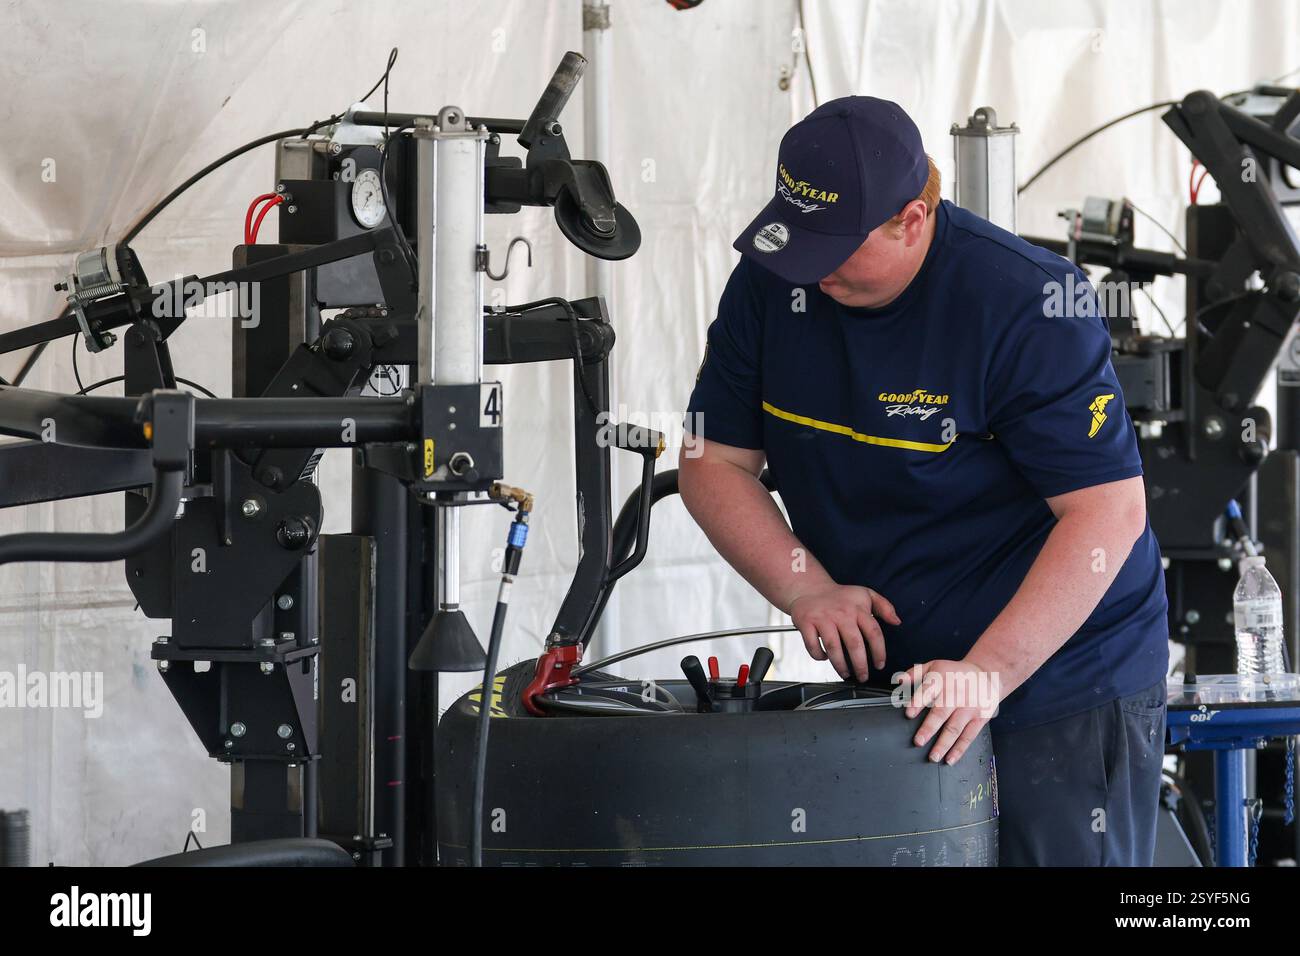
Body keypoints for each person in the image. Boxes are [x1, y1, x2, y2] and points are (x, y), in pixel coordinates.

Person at [679, 96, 1169, 866]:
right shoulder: (772, 279)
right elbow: (714, 462)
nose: (808, 267)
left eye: (833, 245)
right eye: (795, 239)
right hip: (900, 670)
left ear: (913, 217)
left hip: (1057, 666)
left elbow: (1108, 515)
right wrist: (805, 587)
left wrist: (989, 671)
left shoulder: (1026, 301)